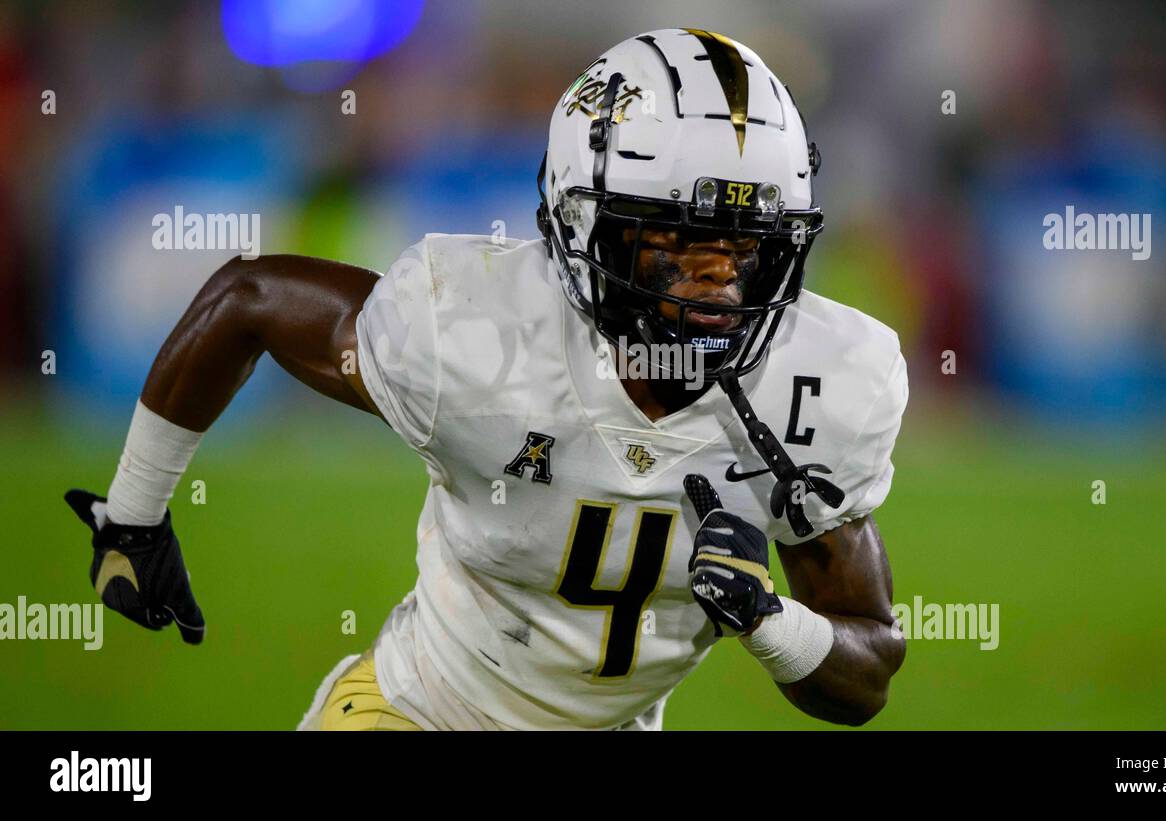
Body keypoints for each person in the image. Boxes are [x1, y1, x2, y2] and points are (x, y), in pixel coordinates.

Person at [65, 28, 909, 731]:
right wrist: (133, 516)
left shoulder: (813, 390)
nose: (718, 279)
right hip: (423, 711)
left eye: (745, 244)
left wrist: (773, 622)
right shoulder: (475, 331)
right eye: (677, 239)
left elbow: (866, 671)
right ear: (589, 230)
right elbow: (249, 298)